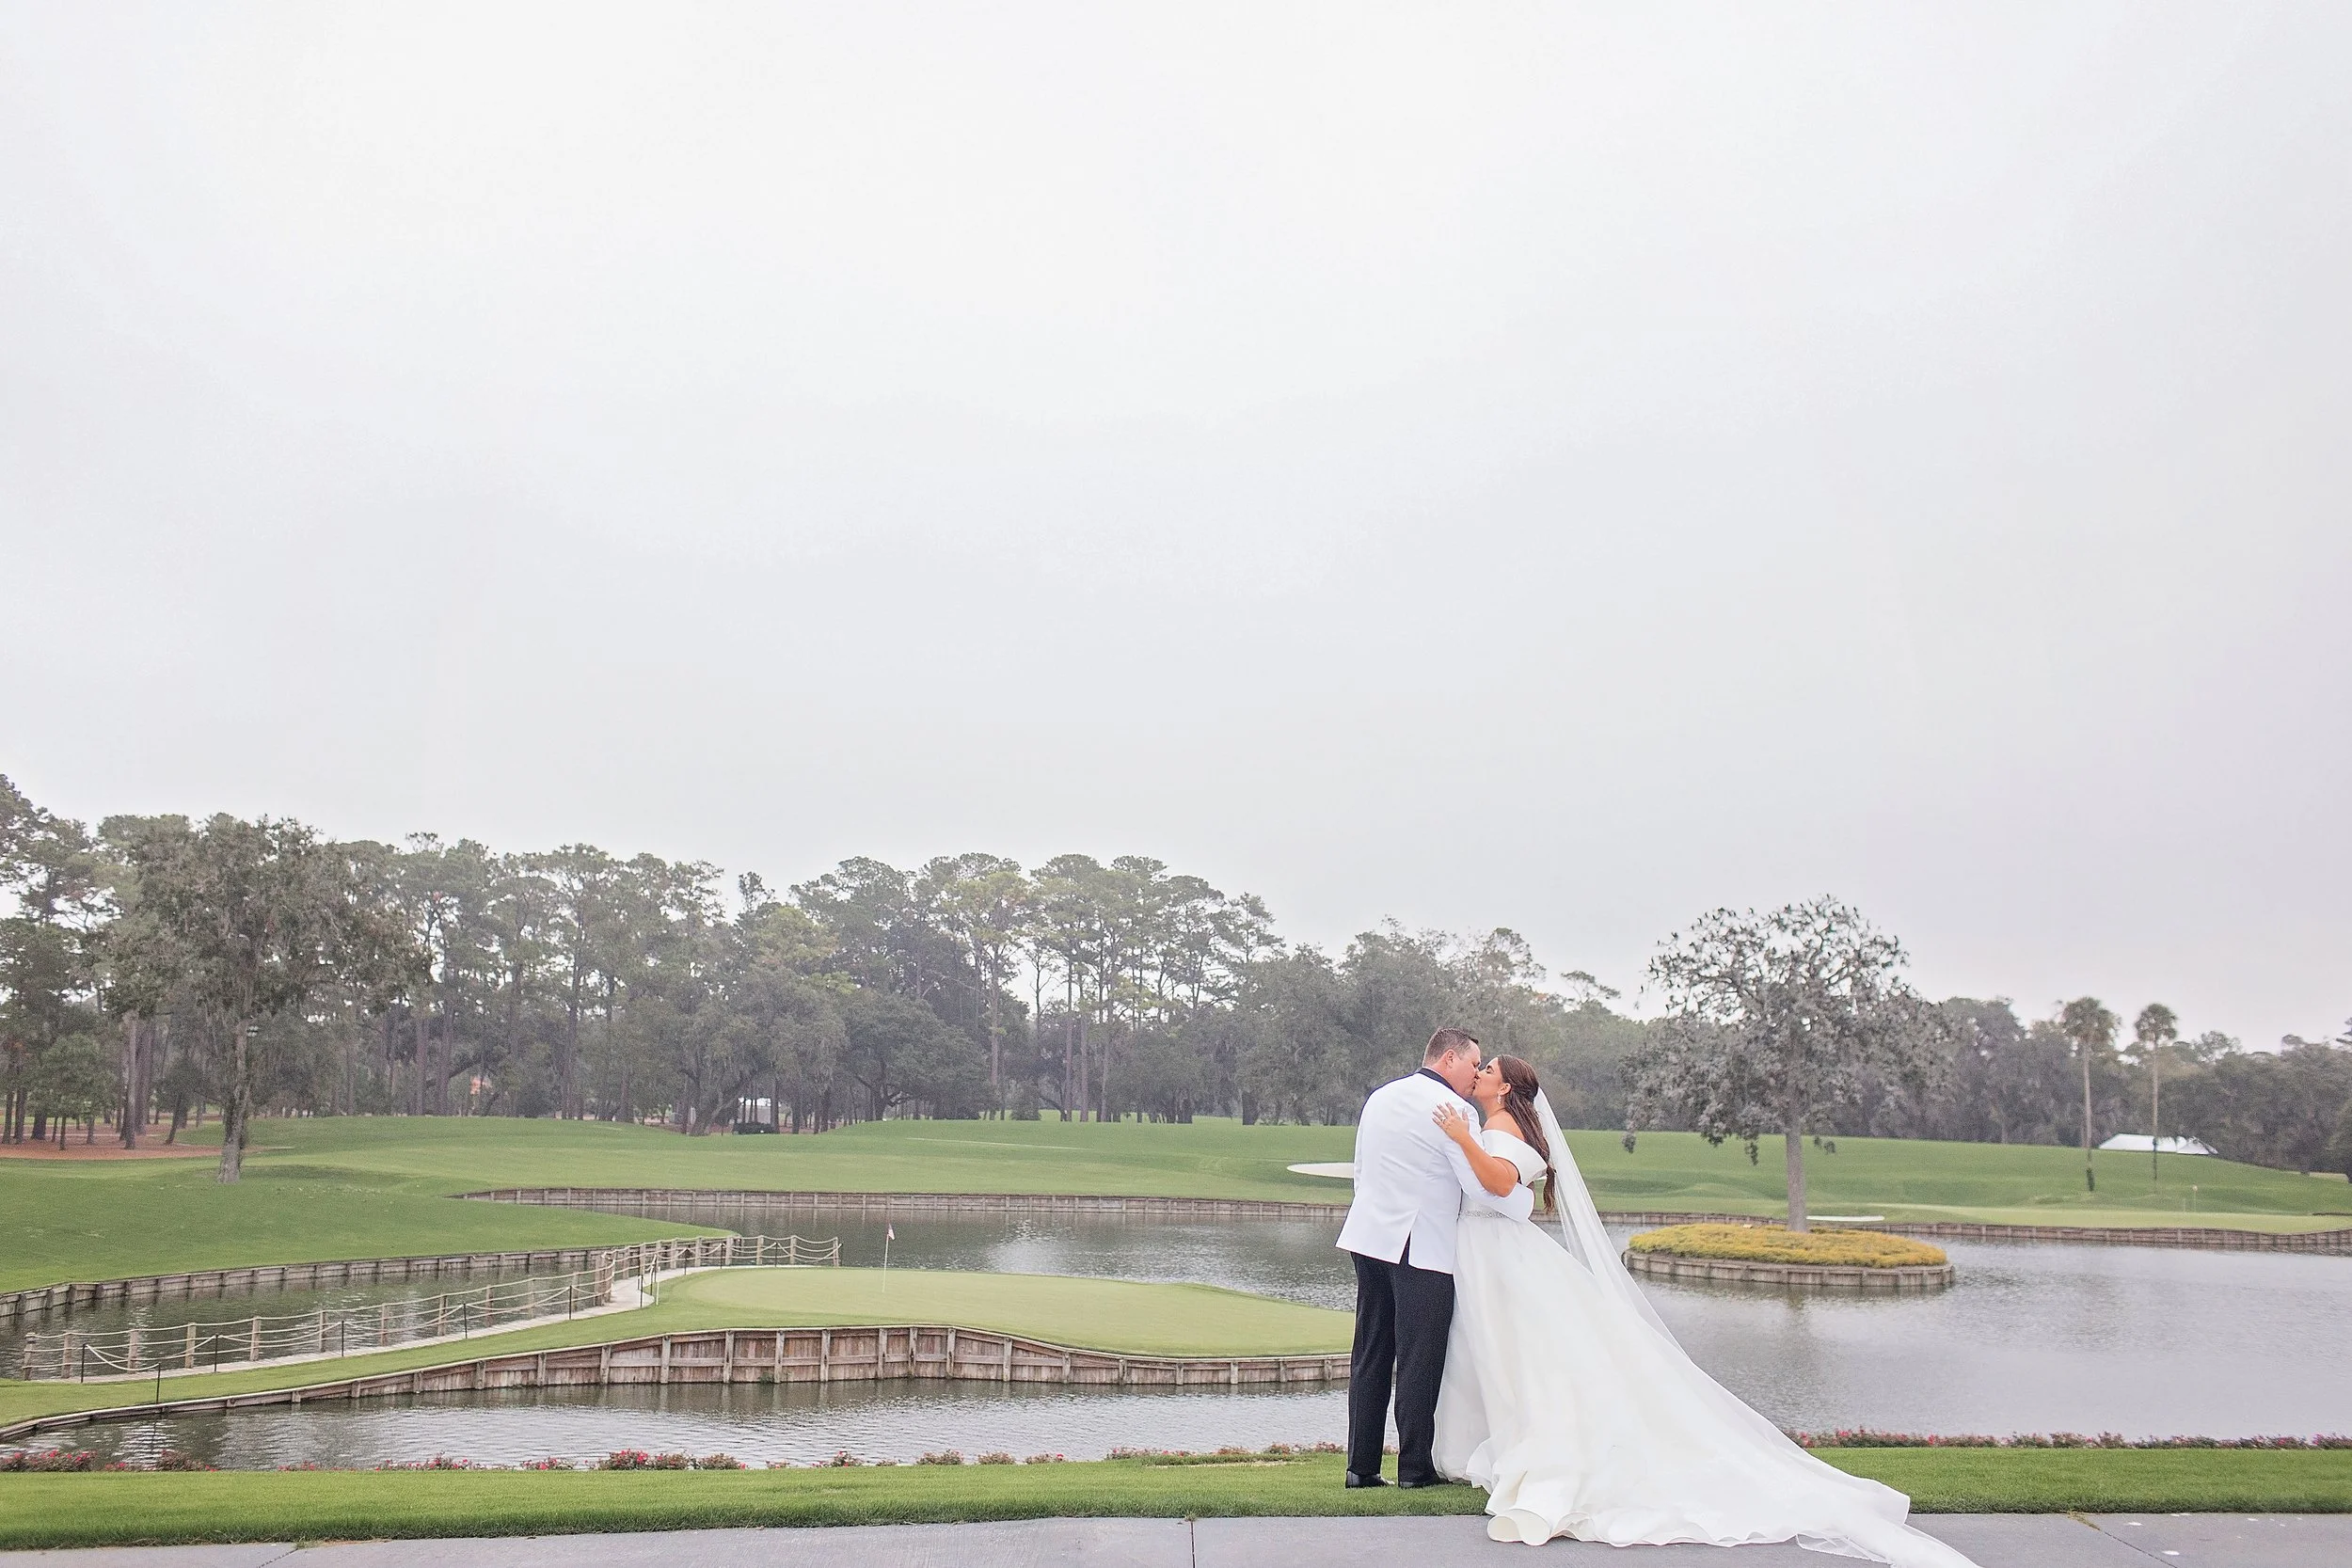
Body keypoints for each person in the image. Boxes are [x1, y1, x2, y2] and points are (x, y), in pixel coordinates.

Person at [1425, 1053, 1979, 1566]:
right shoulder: (1494, 1126)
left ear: (1506, 1087)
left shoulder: (1498, 1128)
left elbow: (1499, 1181)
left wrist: (1460, 1137)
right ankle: (1494, 1443)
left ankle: (1535, 1453)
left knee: (1517, 1354)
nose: (1480, 1070)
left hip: (1500, 1257)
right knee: (1500, 1354)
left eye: (1489, 1067)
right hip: (1488, 1254)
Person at [1334, 1027, 1532, 1488]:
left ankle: (1360, 1468)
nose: (1475, 1074)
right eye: (1472, 1064)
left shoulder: (1380, 1096)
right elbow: (1477, 1184)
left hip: (1368, 1238)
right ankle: (1414, 1469)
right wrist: (1520, 1202)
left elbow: (1361, 1169)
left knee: (1370, 1351)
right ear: (1448, 1059)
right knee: (1420, 1358)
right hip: (1419, 1244)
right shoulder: (1455, 1110)